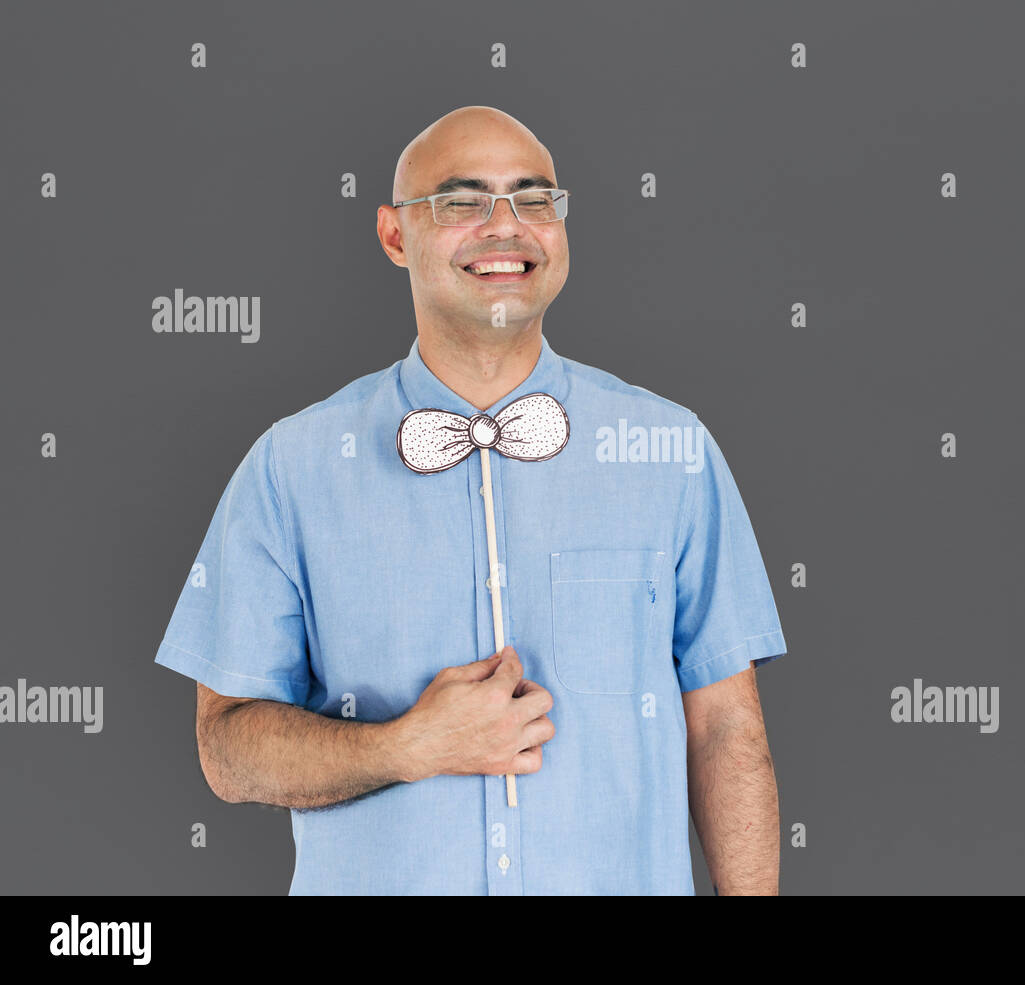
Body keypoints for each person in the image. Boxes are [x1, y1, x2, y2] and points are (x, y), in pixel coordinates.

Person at [154, 106, 788, 895]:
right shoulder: (290, 467)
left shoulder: (670, 451)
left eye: (533, 199)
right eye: (462, 202)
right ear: (394, 236)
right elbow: (227, 749)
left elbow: (726, 729)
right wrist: (407, 745)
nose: (506, 227)